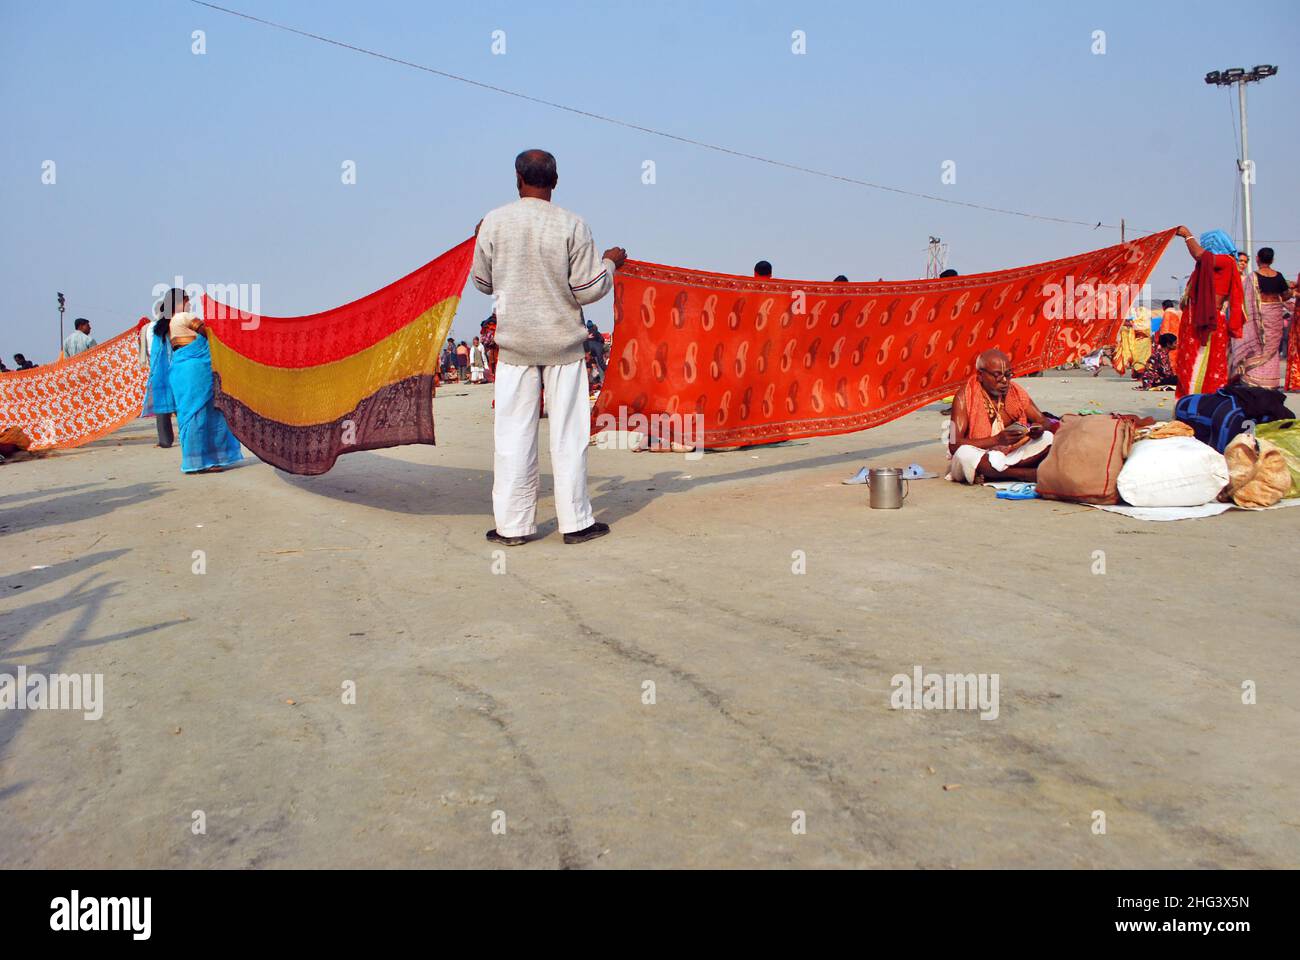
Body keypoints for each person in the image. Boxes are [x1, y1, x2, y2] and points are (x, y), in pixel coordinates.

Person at [472, 148, 626, 545]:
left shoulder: (493, 223)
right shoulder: (572, 225)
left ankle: (513, 526)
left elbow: (483, 284)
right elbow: (588, 290)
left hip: (516, 346)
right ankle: (575, 523)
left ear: (517, 179)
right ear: (555, 181)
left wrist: (484, 241)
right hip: (563, 345)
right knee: (568, 438)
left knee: (512, 438)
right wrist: (609, 263)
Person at [156, 287, 243, 474]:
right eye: (187, 299)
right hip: (195, 370)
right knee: (201, 413)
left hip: (182, 371)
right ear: (181, 301)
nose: (189, 303)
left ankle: (198, 459)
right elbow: (209, 333)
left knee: (191, 414)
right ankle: (203, 461)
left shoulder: (169, 322)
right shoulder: (182, 317)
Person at [947, 349, 1057, 484]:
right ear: (980, 375)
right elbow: (953, 444)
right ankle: (1024, 474)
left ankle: (995, 473)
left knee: (1047, 438)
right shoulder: (963, 397)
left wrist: (1038, 428)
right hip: (980, 455)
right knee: (964, 454)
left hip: (1012, 453)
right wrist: (996, 440)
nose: (1004, 381)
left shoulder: (1016, 392)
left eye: (1008, 374)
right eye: (997, 375)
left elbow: (1043, 420)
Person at [1174, 226, 1244, 398]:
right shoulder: (1209, 266)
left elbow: (1200, 255)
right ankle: (1189, 403)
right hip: (1197, 320)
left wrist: (1187, 236)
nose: (1204, 248)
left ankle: (1196, 405)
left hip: (1208, 322)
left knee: (1200, 364)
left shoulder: (1225, 261)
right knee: (1188, 364)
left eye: (1207, 245)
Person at [1232, 247, 1292, 389]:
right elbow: (1285, 295)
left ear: (1258, 259)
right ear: (1272, 260)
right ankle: (1270, 381)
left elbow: (1243, 299)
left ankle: (1254, 378)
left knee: (1258, 346)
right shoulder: (1278, 276)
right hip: (1275, 315)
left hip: (1259, 316)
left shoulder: (1252, 277)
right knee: (1272, 349)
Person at [139, 314, 176, 447]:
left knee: (161, 407)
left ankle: (165, 440)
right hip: (174, 368)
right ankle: (186, 437)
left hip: (156, 370)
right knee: (180, 405)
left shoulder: (146, 328)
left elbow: (145, 351)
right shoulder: (173, 325)